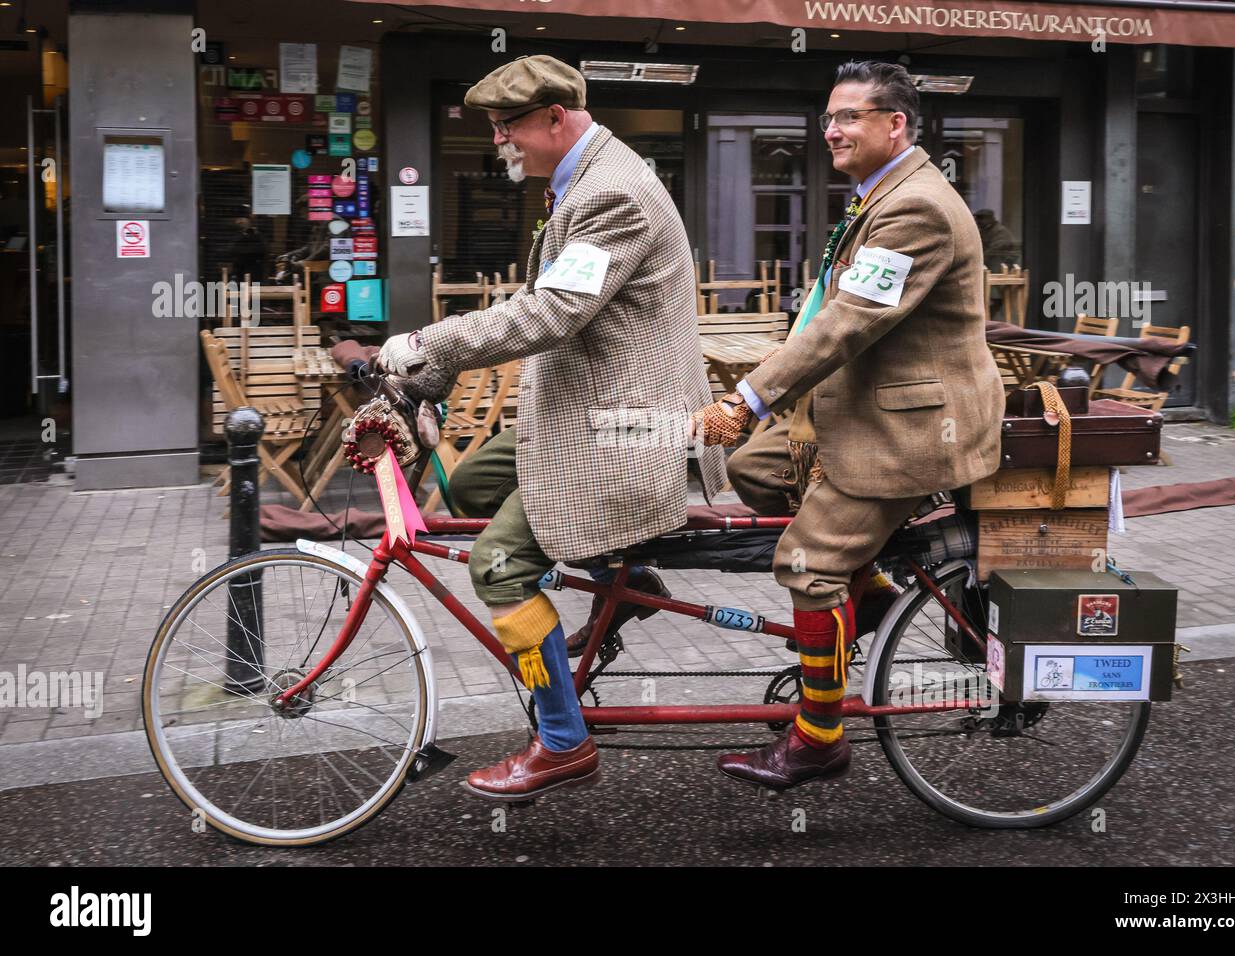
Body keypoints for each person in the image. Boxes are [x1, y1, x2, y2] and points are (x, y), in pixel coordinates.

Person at [379, 55, 725, 801]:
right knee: (468, 485)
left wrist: (425, 344)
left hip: (628, 429)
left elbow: (550, 314)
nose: (501, 142)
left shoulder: (613, 193)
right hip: (590, 413)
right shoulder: (582, 178)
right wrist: (429, 382)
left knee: (496, 564)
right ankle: (619, 584)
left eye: (508, 128)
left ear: (554, 119)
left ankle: (563, 740)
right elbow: (546, 301)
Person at [691, 60, 1006, 790]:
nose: (830, 129)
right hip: (868, 403)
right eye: (828, 116)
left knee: (806, 563)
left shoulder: (916, 207)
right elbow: (833, 319)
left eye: (849, 117)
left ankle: (819, 737)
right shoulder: (880, 196)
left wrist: (747, 401)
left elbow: (850, 322)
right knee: (755, 471)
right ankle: (873, 598)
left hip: (913, 428)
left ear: (895, 125)